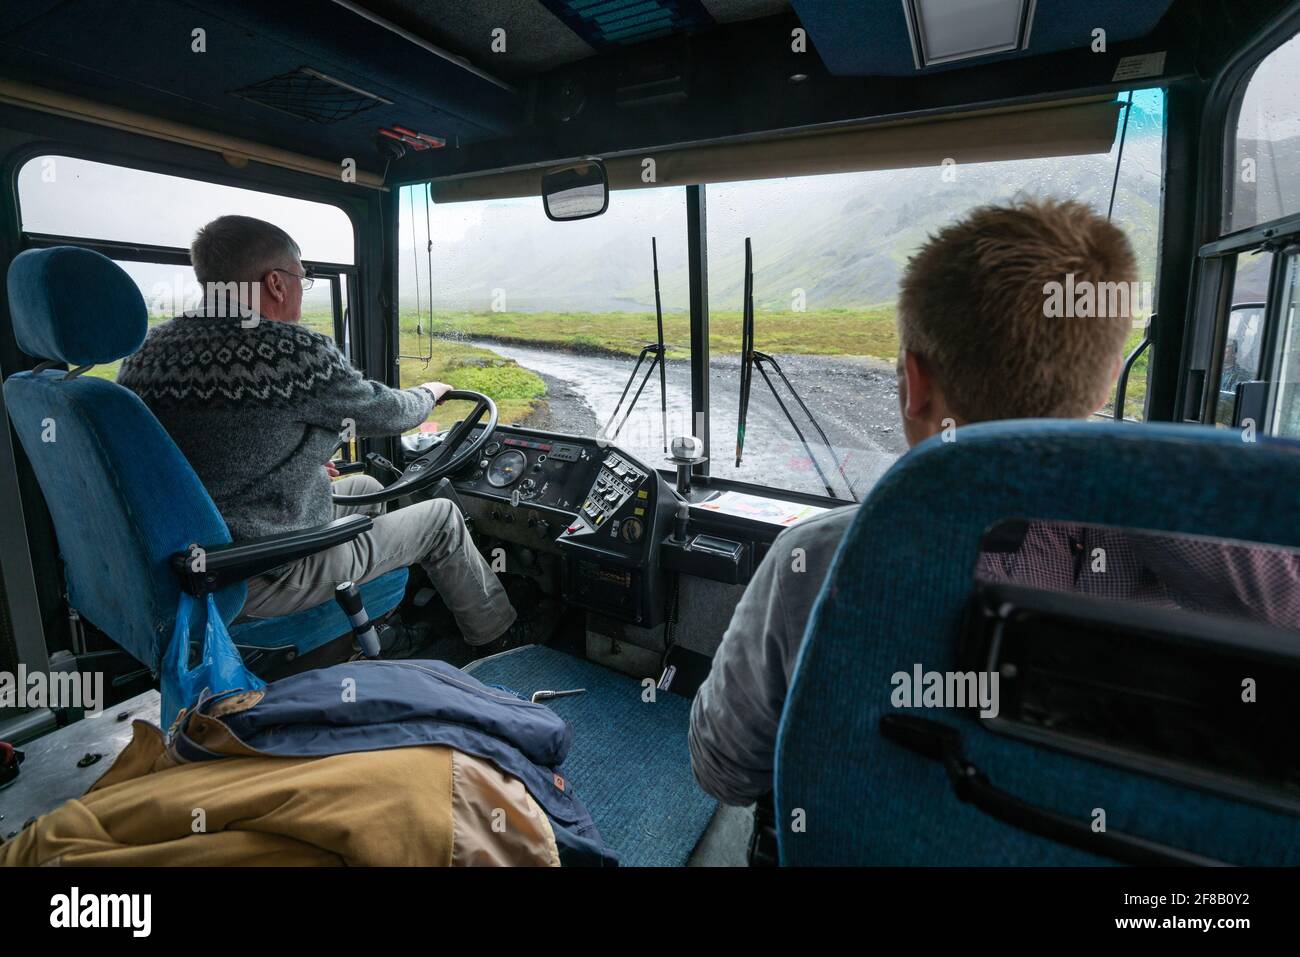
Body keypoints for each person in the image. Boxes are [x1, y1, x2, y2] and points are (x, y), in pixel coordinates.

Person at [688, 198, 1137, 806]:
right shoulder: (1203, 567)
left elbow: (725, 773)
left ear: (915, 383)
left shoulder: (815, 565)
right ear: (1109, 379)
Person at [118, 215, 516, 646]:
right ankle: (500, 638)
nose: (301, 294)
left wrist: (297, 463)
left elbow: (213, 447)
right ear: (275, 283)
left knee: (363, 484)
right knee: (441, 518)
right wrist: (429, 391)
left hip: (191, 554)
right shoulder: (287, 351)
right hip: (261, 569)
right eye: (301, 280)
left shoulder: (147, 353)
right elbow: (388, 413)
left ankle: (372, 629)